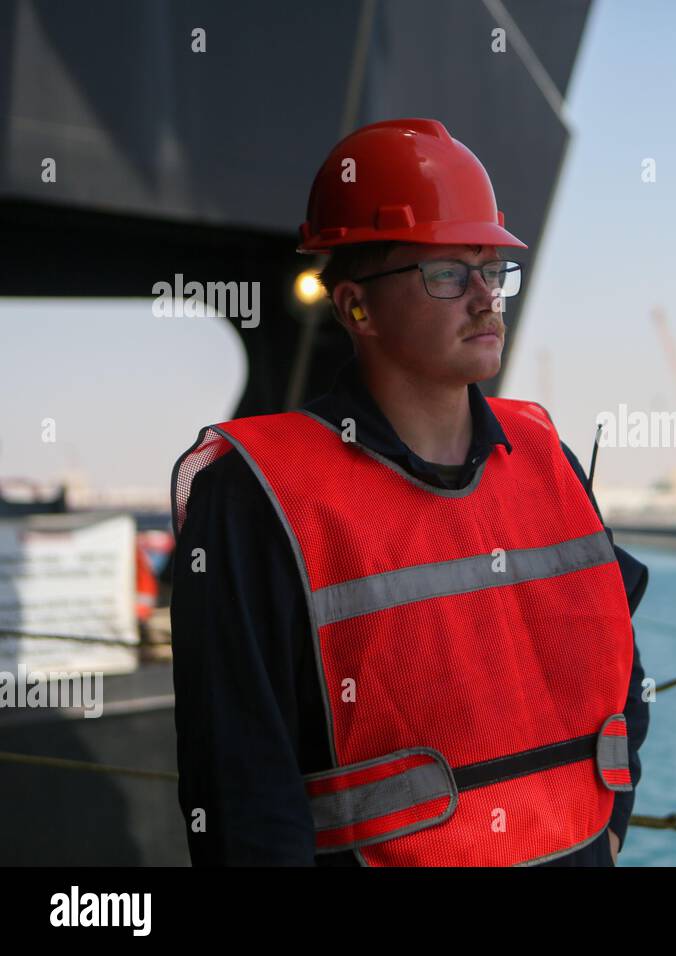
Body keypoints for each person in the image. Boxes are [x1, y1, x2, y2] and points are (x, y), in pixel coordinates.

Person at [169, 118, 650, 866]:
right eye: (448, 274)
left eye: (493, 269)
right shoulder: (259, 498)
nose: (487, 298)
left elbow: (624, 680)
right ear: (357, 307)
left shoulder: (547, 458)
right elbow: (240, 794)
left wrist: (608, 831)